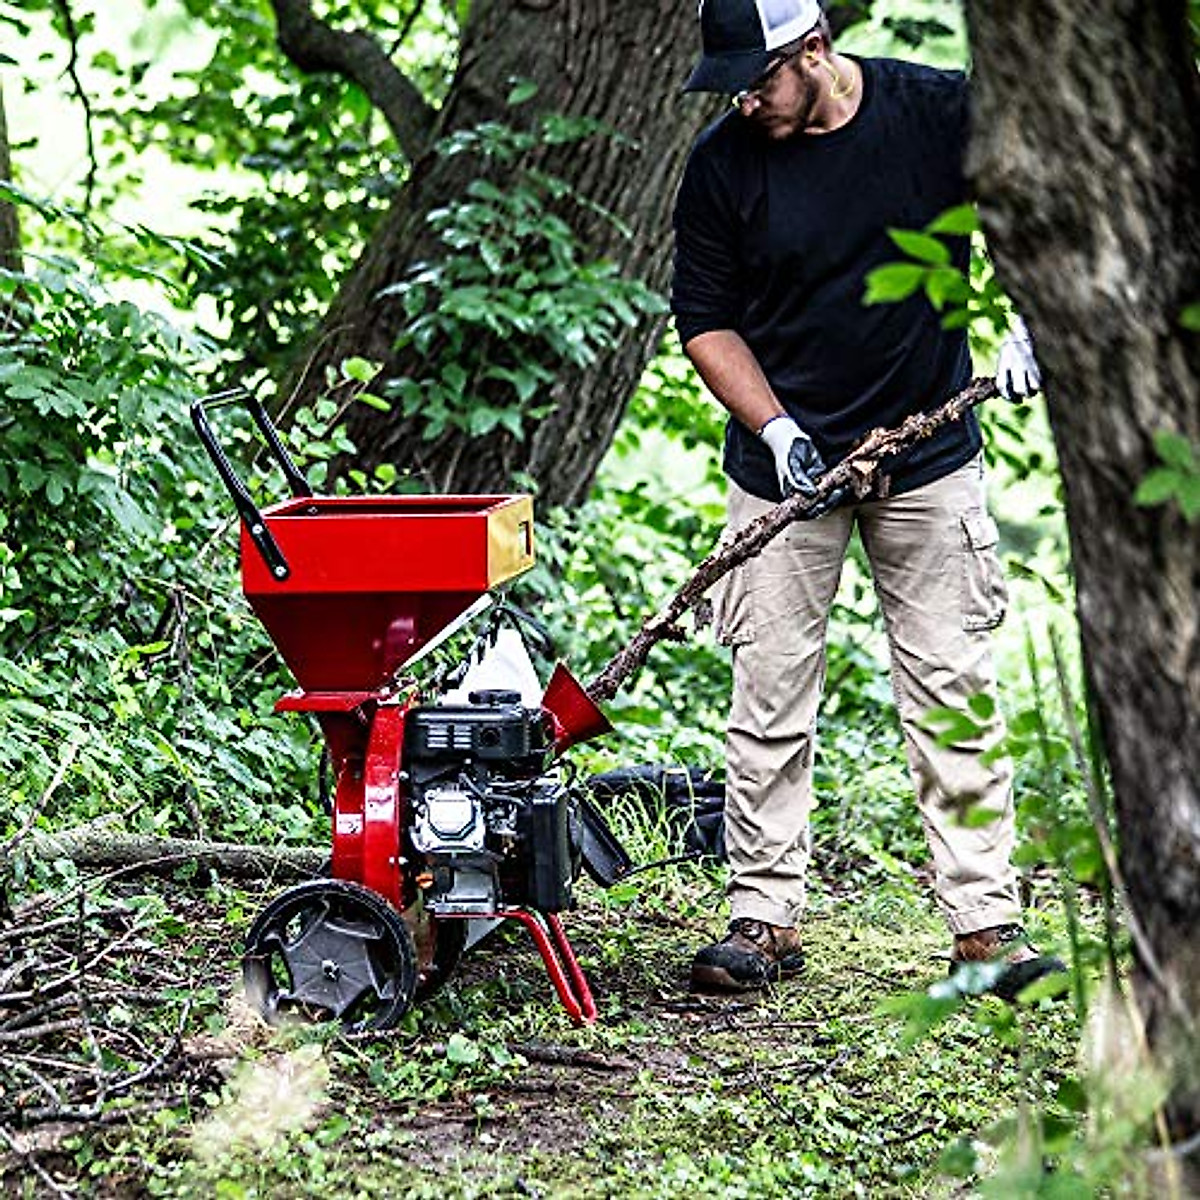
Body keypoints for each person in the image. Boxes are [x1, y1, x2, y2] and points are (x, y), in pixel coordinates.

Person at [672, 0, 1064, 999]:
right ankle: (763, 919)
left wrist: (1028, 321)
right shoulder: (724, 165)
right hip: (784, 475)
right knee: (767, 698)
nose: (746, 99)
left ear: (816, 51)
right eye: (736, 85)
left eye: (761, 78)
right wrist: (779, 433)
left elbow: (1032, 206)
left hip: (927, 460)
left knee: (953, 688)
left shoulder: (937, 115)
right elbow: (707, 325)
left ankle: (987, 932)